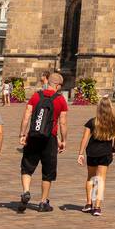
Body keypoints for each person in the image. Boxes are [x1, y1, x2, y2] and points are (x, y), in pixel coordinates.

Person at [17, 70, 68, 213]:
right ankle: (43, 202)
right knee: (48, 172)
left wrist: (22, 134)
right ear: (57, 85)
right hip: (49, 138)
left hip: (33, 136)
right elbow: (63, 123)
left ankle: (26, 191)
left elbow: (26, 115)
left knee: (27, 167)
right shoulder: (60, 100)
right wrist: (63, 140)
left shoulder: (36, 96)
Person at [78, 96, 115, 216]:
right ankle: (97, 206)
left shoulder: (92, 122)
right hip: (106, 153)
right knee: (100, 179)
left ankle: (88, 203)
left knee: (90, 177)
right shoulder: (113, 123)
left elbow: (85, 139)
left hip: (92, 152)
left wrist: (80, 153)